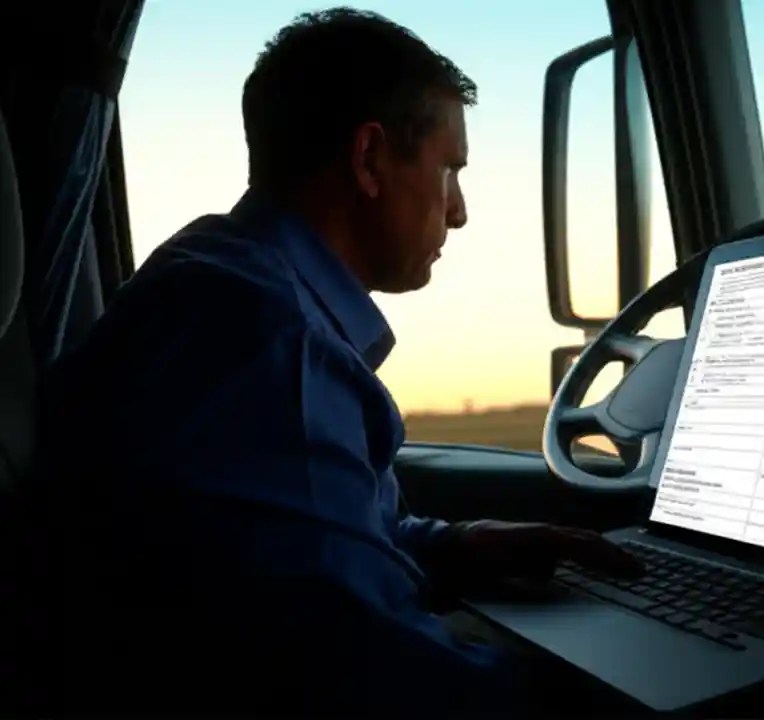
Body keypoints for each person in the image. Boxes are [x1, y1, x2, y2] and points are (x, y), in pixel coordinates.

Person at [31, 6, 642, 716]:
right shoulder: (272, 343)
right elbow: (374, 675)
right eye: (448, 169)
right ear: (369, 160)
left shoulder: (214, 277)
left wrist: (455, 547)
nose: (459, 210)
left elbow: (307, 542)